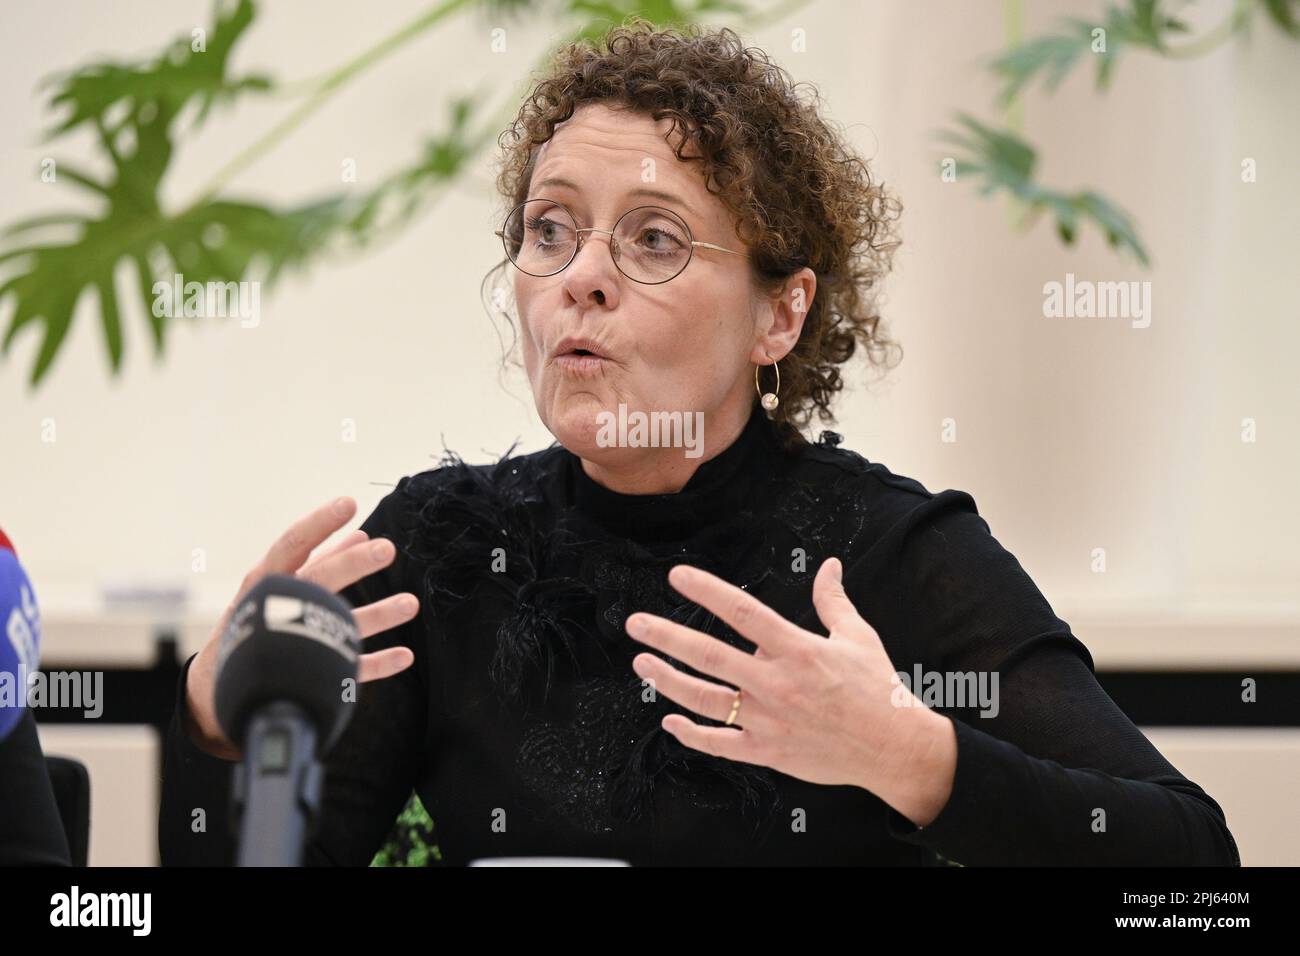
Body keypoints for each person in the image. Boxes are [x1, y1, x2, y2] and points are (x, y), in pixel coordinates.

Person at [158, 20, 1240, 866]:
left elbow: (1188, 868)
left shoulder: (893, 552)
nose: (581, 274)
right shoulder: (438, 549)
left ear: (781, 314)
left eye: (655, 239)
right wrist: (223, 709)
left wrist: (907, 754)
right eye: (549, 229)